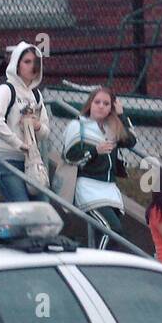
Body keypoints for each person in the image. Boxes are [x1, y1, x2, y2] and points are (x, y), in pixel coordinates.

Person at [62, 86, 137, 249]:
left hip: (110, 189)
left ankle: (103, 267)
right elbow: (69, 156)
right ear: (90, 104)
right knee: (112, 231)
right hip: (88, 188)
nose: (101, 106)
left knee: (111, 234)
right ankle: (102, 267)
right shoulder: (78, 125)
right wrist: (95, 150)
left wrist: (121, 114)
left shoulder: (112, 128)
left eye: (106, 103)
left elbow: (131, 140)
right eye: (97, 102)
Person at [0, 41, 49, 202]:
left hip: (30, 162)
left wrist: (37, 126)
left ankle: (5, 228)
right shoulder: (6, 90)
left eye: (36, 62)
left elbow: (46, 131)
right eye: (27, 62)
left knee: (42, 209)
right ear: (16, 64)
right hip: (5, 160)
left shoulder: (36, 95)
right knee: (23, 209)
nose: (32, 66)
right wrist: (17, 143)